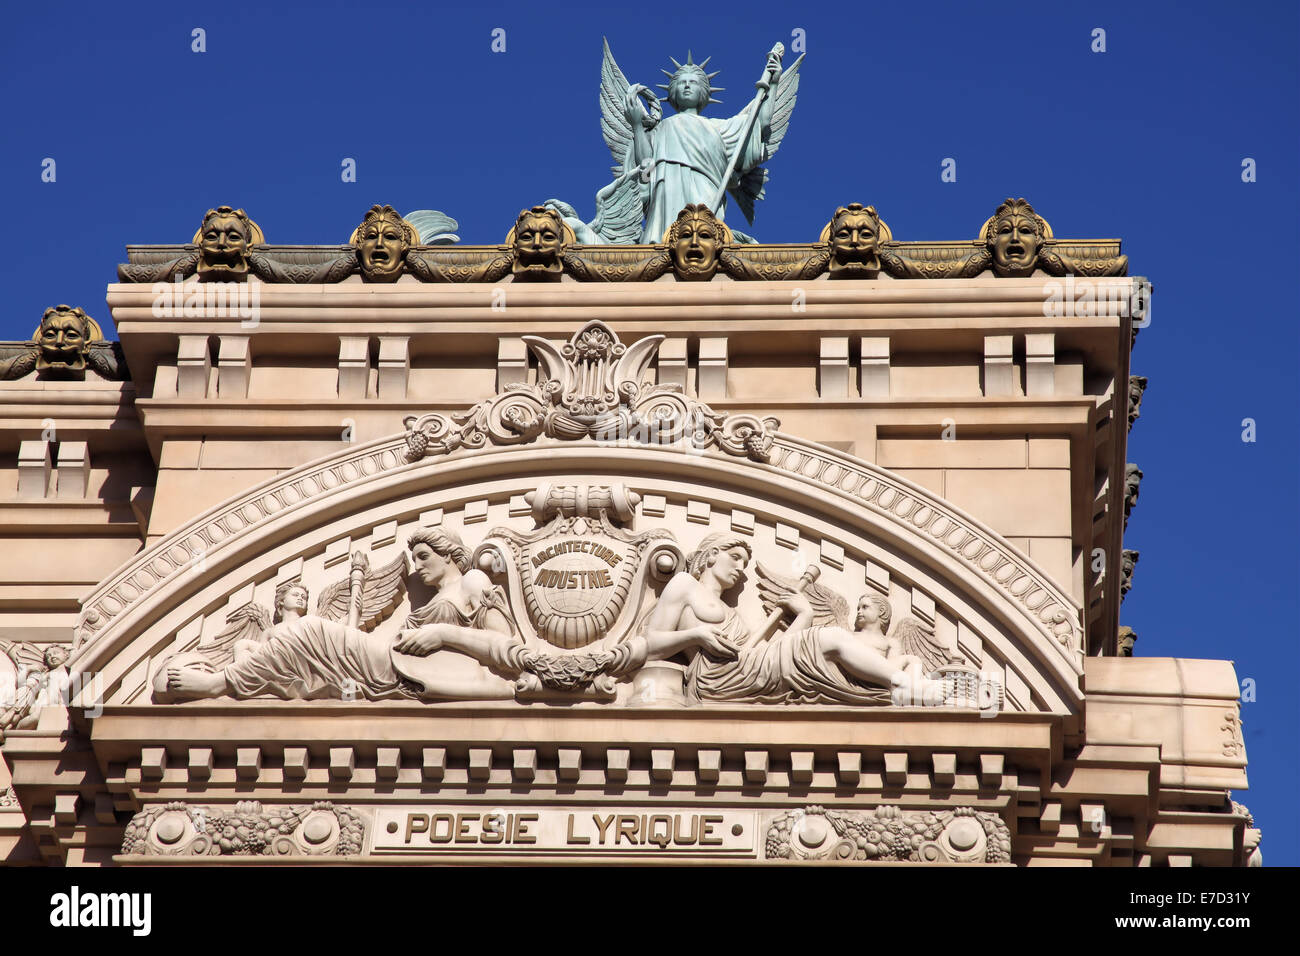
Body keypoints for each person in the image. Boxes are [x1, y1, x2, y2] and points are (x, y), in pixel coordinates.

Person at [159, 527, 523, 702]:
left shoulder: (472, 581)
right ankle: (244, 670)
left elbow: (505, 647)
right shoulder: (435, 599)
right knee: (297, 637)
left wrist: (442, 635)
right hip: (397, 665)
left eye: (424, 556)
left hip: (411, 669)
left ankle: (216, 684)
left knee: (309, 630)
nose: (418, 566)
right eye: (414, 559)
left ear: (449, 554)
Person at [638, 532, 946, 705]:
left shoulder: (731, 614)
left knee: (823, 639)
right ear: (711, 554)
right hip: (718, 677)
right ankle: (905, 683)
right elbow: (650, 645)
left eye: (744, 562)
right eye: (734, 558)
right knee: (829, 638)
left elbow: (773, 654)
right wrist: (696, 637)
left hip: (747, 667)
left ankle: (896, 682)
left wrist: (805, 613)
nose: (740, 568)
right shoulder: (683, 585)